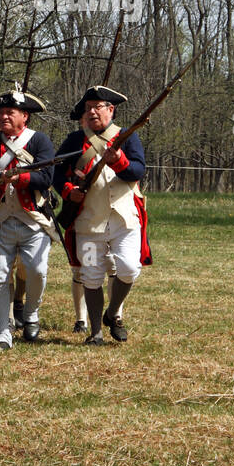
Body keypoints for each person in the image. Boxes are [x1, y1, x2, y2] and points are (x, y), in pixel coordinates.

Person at [53, 86, 150, 345]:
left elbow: (137, 171)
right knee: (91, 276)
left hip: (124, 217)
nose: (93, 112)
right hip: (87, 220)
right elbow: (56, 173)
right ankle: (95, 332)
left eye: (98, 107)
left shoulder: (126, 137)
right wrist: (68, 190)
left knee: (129, 268)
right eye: (88, 108)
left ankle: (112, 313)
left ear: (111, 110)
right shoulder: (75, 140)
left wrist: (119, 160)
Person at [0, 87, 58, 350]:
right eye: (0, 113)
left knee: (37, 271)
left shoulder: (39, 141)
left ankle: (30, 314)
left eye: (10, 112)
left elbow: (46, 177)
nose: (3, 117)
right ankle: (3, 332)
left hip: (32, 219)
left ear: (24, 117)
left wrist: (20, 178)